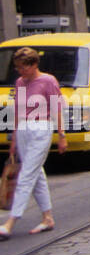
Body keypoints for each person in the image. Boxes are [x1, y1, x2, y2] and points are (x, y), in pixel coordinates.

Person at [0, 47, 66, 239]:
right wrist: (13, 137)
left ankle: (11, 222)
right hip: (23, 130)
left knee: (26, 175)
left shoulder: (48, 81)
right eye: (18, 68)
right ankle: (48, 218)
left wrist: (61, 135)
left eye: (23, 68)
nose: (20, 72)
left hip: (41, 128)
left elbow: (57, 109)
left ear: (34, 64)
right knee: (36, 174)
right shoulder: (20, 83)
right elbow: (18, 111)